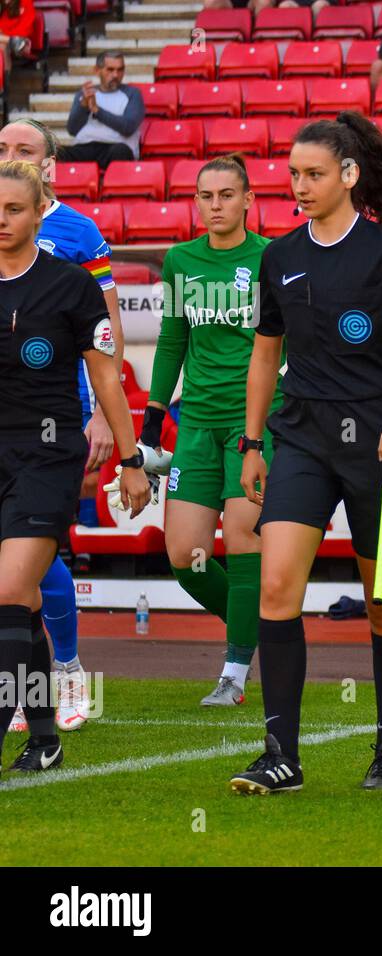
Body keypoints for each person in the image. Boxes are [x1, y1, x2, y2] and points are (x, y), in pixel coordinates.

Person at [227, 111, 382, 794]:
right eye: (294, 174)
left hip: (377, 443)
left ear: (348, 175)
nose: (300, 185)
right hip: (300, 436)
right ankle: (280, 756)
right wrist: (253, 441)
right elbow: (266, 355)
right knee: (275, 587)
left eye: (314, 173)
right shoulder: (279, 256)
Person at [0, 160, 149, 774]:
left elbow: (107, 381)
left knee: (8, 591)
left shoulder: (71, 286)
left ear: (40, 213)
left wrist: (131, 457)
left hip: (47, 452)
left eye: (13, 209)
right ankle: (44, 739)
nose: (2, 220)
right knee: (25, 602)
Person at [141, 154, 275, 708]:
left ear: (248, 199)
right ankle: (264, 622)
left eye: (226, 194)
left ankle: (235, 671)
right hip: (194, 422)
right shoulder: (179, 260)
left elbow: (285, 343)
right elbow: (172, 339)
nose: (215, 205)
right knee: (185, 556)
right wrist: (152, 423)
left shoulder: (272, 257)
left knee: (244, 539)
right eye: (206, 196)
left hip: (254, 424)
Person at [61, 52, 144, 169]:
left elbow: (128, 127)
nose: (116, 75)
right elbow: (72, 130)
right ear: (97, 70)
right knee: (49, 154)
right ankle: (47, 187)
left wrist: (97, 111)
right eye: (110, 70)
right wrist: (83, 107)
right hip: (84, 148)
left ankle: (113, 186)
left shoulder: (132, 94)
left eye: (120, 70)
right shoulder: (85, 94)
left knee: (121, 151)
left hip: (114, 148)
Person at [0, 0, 39, 75]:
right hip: (8, 39)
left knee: (2, 45)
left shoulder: (26, 2)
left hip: (22, 41)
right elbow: (2, 26)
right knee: (2, 46)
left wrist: (5, 35)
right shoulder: (4, 6)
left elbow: (25, 28)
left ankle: (4, 84)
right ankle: (3, 84)